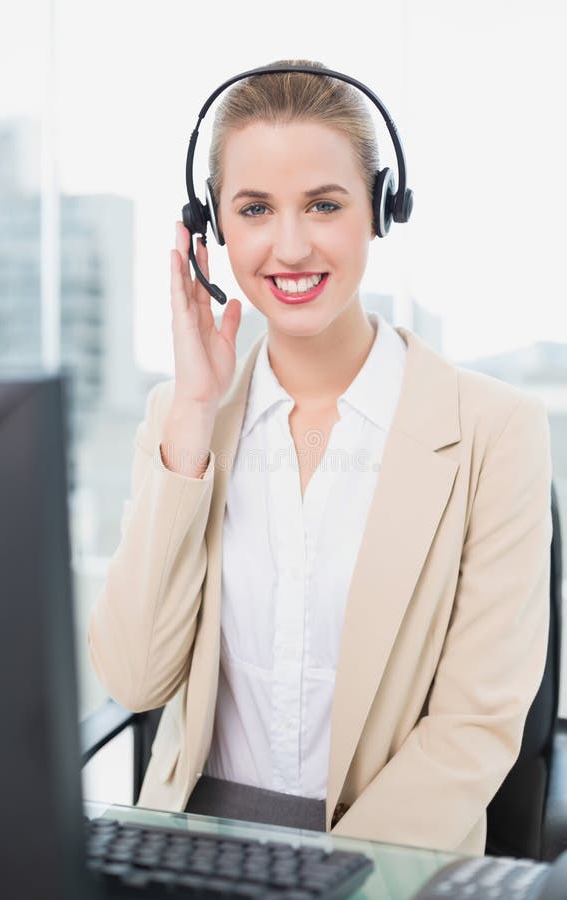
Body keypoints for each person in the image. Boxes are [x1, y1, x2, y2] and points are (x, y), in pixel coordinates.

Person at [88, 59, 553, 856]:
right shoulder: (180, 420)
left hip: (386, 860)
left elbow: (476, 725)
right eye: (256, 208)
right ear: (212, 229)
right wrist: (196, 414)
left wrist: (326, 877)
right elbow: (134, 679)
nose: (290, 245)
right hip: (196, 852)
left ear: (380, 209)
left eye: (325, 204)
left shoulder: (494, 429)